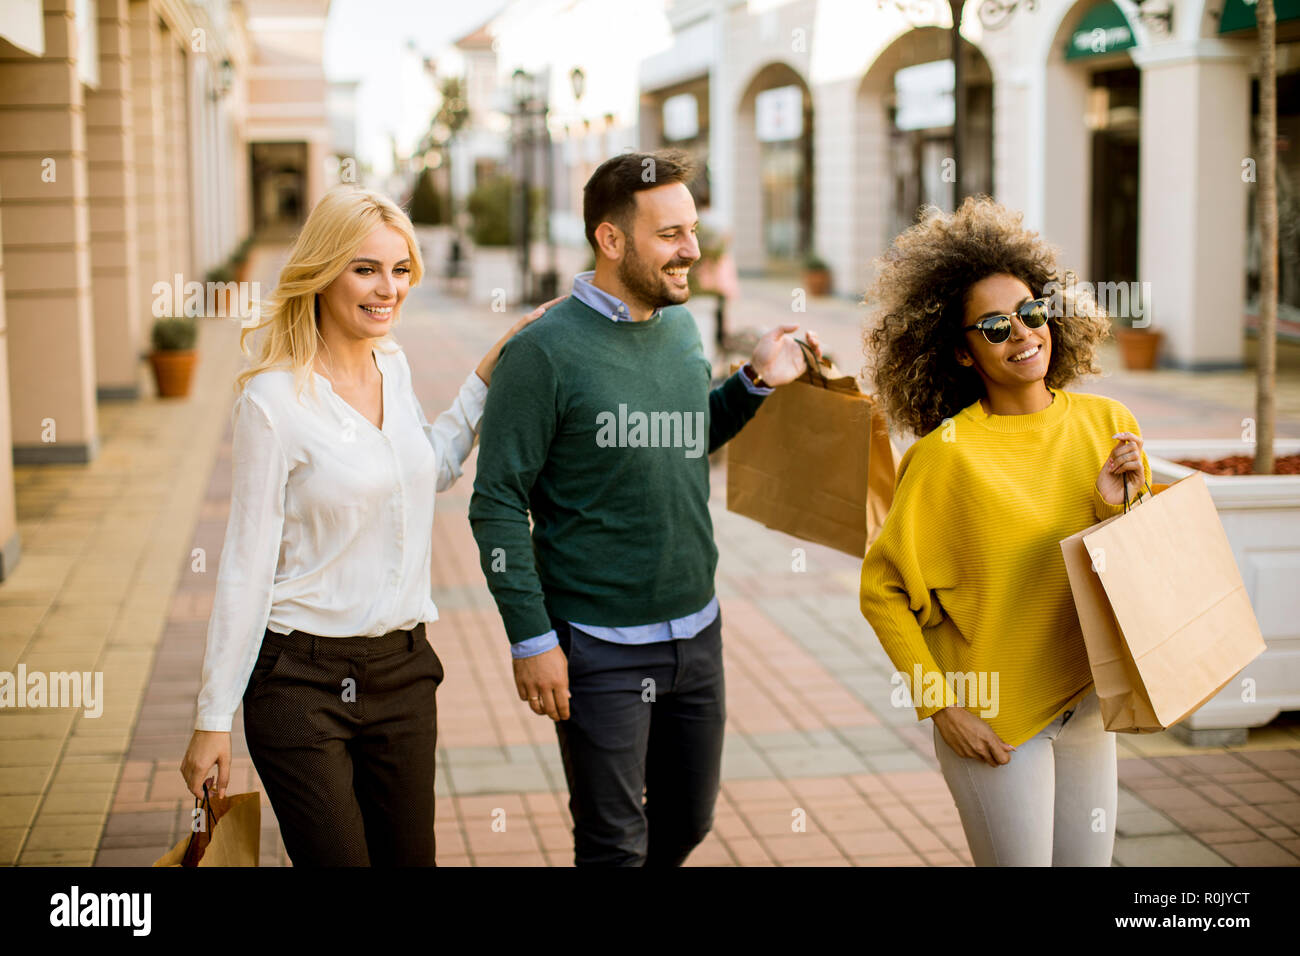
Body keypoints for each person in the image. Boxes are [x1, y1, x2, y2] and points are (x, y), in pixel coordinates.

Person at [179, 186, 556, 866]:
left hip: (404, 673)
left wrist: (486, 373)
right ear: (323, 271)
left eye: (401, 268)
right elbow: (246, 564)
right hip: (300, 681)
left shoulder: (393, 363)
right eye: (366, 269)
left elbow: (429, 467)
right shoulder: (273, 401)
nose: (389, 289)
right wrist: (213, 719)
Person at [468, 149, 822, 866]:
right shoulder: (541, 353)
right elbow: (496, 502)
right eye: (670, 234)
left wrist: (753, 380)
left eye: (692, 229)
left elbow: (689, 437)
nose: (693, 248)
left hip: (697, 631)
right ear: (611, 238)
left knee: (686, 823)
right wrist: (532, 639)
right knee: (612, 843)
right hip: (595, 645)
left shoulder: (682, 328)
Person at [859, 196, 1152, 867]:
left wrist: (1116, 506)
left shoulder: (1107, 421)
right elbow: (882, 593)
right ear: (961, 353)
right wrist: (942, 709)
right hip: (994, 720)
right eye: (994, 327)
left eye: (1031, 313)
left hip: (1086, 703)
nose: (1023, 334)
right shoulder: (945, 454)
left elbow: (1136, 563)